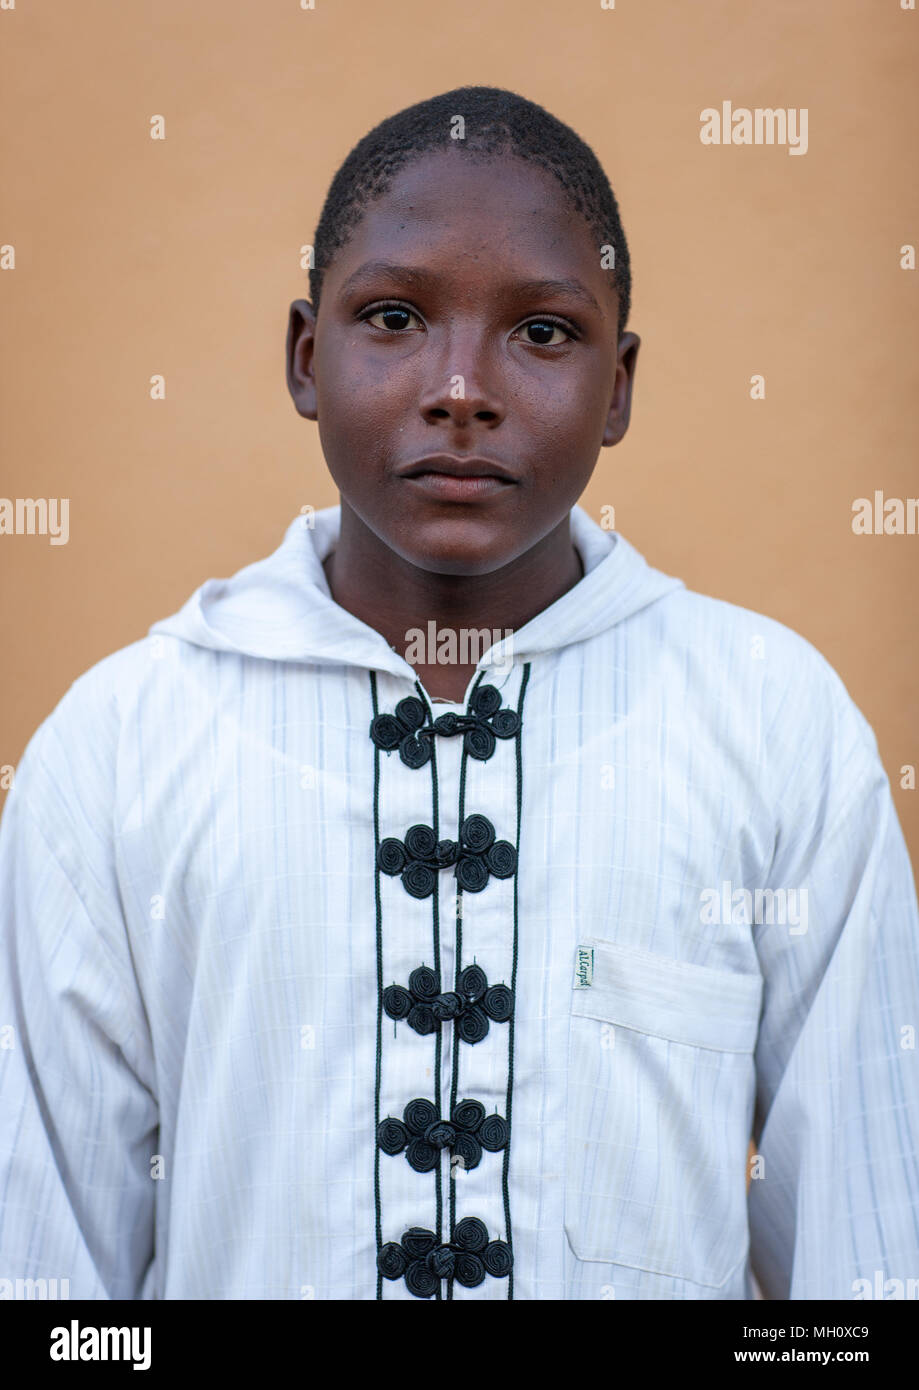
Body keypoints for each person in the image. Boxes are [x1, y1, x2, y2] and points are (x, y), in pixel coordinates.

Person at [1, 86, 917, 1302]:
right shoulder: (118, 751)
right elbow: (48, 1282)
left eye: (541, 331)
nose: (461, 389)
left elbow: (866, 1272)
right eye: (393, 317)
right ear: (306, 357)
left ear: (619, 386)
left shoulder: (775, 727)